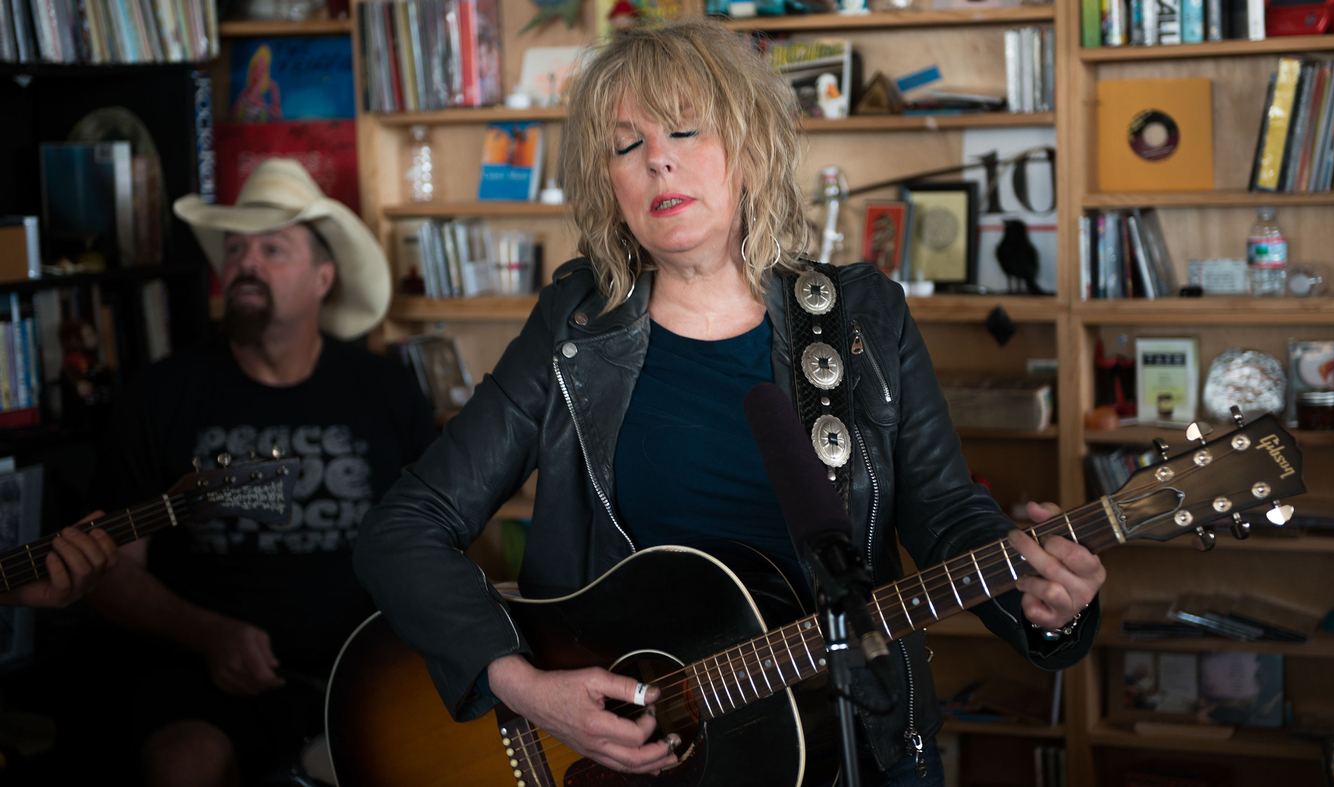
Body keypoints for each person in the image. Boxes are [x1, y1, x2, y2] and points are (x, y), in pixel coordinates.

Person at [354, 20, 1105, 787]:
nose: (658, 158)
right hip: (647, 767)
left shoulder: (863, 318)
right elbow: (402, 529)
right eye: (626, 145)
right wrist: (523, 686)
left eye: (685, 129)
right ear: (609, 185)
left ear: (751, 149)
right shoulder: (571, 329)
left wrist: (1039, 596)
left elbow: (945, 513)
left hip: (859, 746)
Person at [87, 159, 436, 787]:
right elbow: (109, 571)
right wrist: (206, 634)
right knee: (183, 766)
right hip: (199, 675)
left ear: (323, 278)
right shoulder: (161, 396)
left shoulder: (387, 391)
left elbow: (440, 538)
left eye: (272, 249)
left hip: (367, 670)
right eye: (235, 249)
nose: (246, 263)